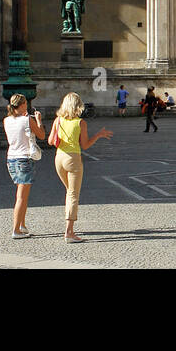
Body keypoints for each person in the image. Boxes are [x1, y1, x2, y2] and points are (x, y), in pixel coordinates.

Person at [52, 92, 112, 243]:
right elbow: (85, 145)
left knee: (69, 192)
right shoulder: (80, 123)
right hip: (73, 158)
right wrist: (98, 135)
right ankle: (69, 232)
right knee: (73, 195)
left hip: (59, 157)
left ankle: (69, 227)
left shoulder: (58, 120)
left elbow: (50, 140)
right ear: (78, 106)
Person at [3, 93, 45, 239]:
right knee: (21, 197)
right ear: (21, 105)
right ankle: (16, 229)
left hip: (11, 158)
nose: (27, 105)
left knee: (22, 195)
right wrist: (38, 121)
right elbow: (41, 135)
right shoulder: (27, 120)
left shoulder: (6, 120)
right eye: (25, 103)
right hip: (24, 159)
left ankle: (21, 224)